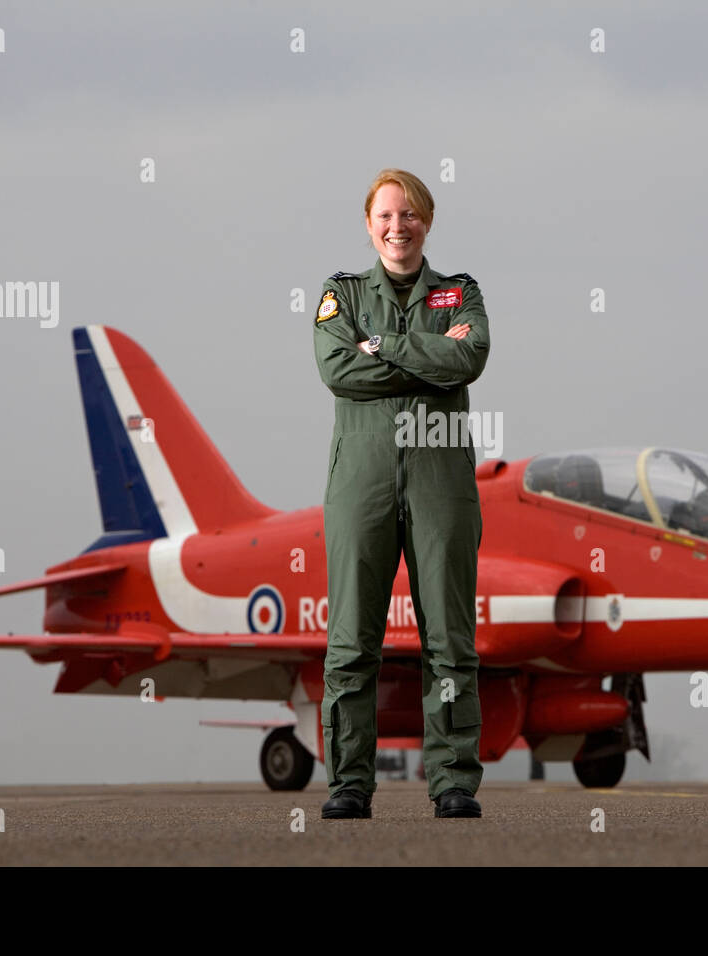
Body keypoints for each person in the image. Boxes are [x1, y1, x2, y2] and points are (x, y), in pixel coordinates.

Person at [312, 168, 490, 819]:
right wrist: (425, 356)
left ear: (428, 222)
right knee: (353, 638)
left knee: (449, 636)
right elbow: (337, 369)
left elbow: (467, 360)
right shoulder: (341, 294)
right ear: (369, 225)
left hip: (441, 482)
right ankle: (349, 782)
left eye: (410, 214)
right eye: (386, 215)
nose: (398, 226)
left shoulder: (460, 294)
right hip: (361, 484)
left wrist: (382, 345)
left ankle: (451, 782)